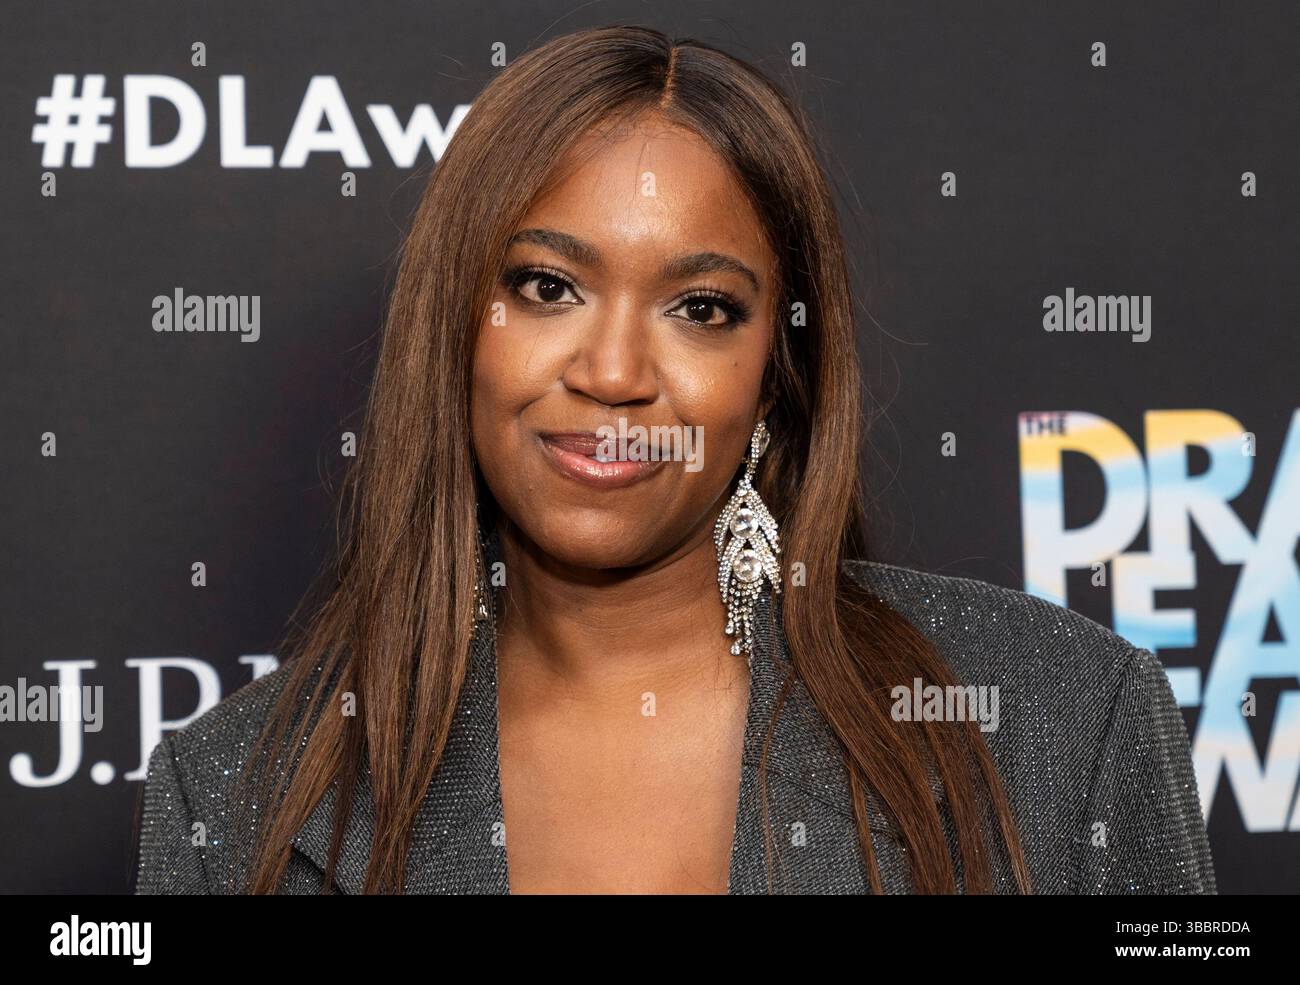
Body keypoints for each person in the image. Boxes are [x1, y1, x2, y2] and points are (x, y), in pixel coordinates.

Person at [133, 25, 1215, 894]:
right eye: (546, 286)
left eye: (701, 307)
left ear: (773, 378)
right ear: (452, 327)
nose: (612, 371)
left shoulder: (1057, 720)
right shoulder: (236, 801)